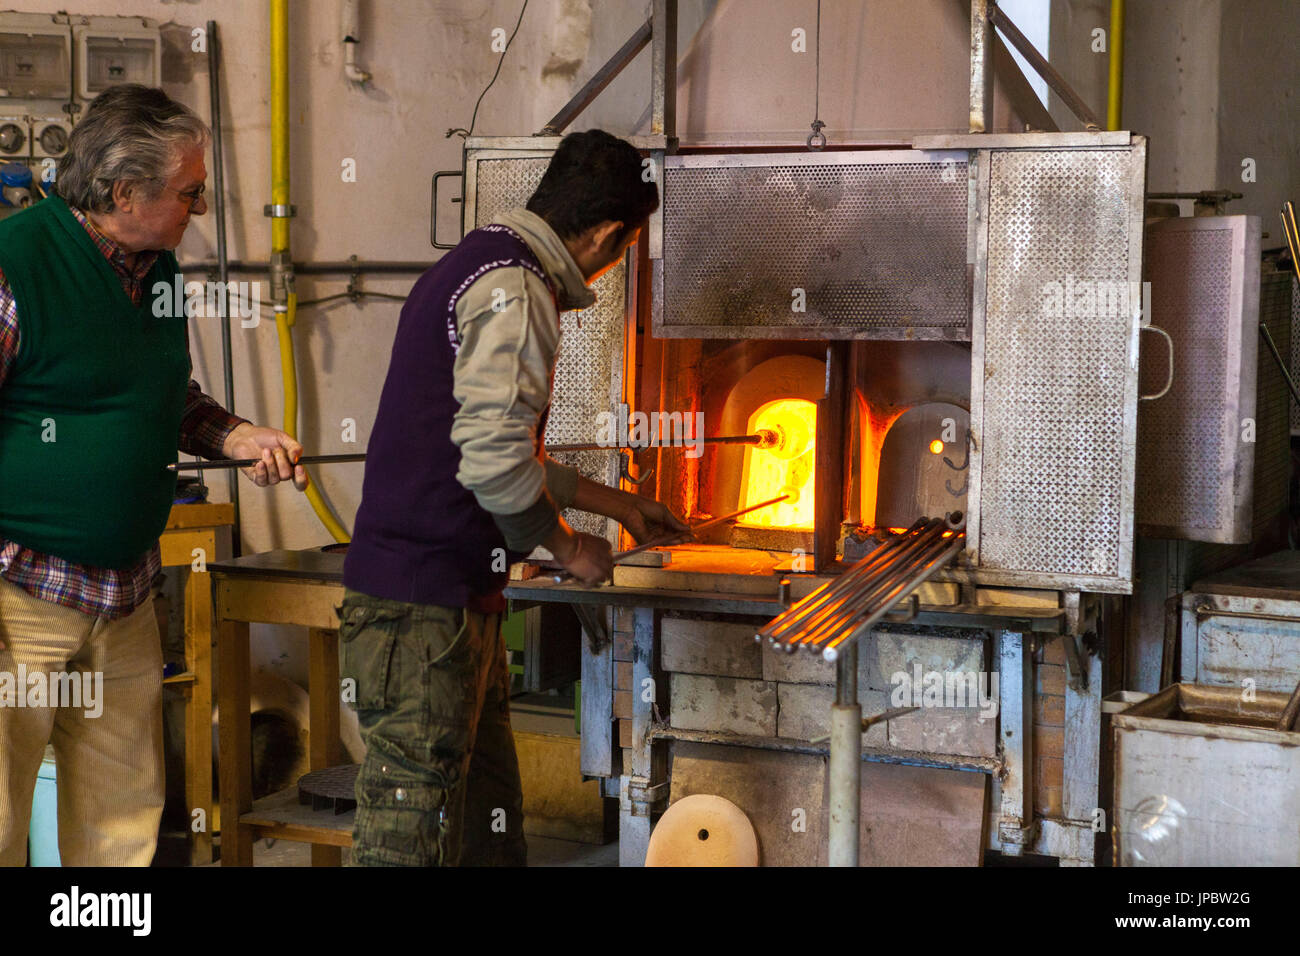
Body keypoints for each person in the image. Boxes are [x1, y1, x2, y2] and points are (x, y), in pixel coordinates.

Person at [341, 129, 687, 866]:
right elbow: (494, 463)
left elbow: (487, 446)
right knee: (412, 836)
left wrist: (613, 503)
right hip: (422, 609)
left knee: (484, 822)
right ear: (607, 234)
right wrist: (570, 547)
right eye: (623, 249)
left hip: (452, 607)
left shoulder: (476, 261)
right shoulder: (516, 288)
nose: (615, 263)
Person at [0, 84, 309, 866]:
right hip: (19, 596)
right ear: (121, 191)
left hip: (125, 596)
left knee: (123, 823)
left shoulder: (158, 271)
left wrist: (236, 437)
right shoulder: (17, 265)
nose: (199, 208)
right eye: (189, 192)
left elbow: (163, 396)